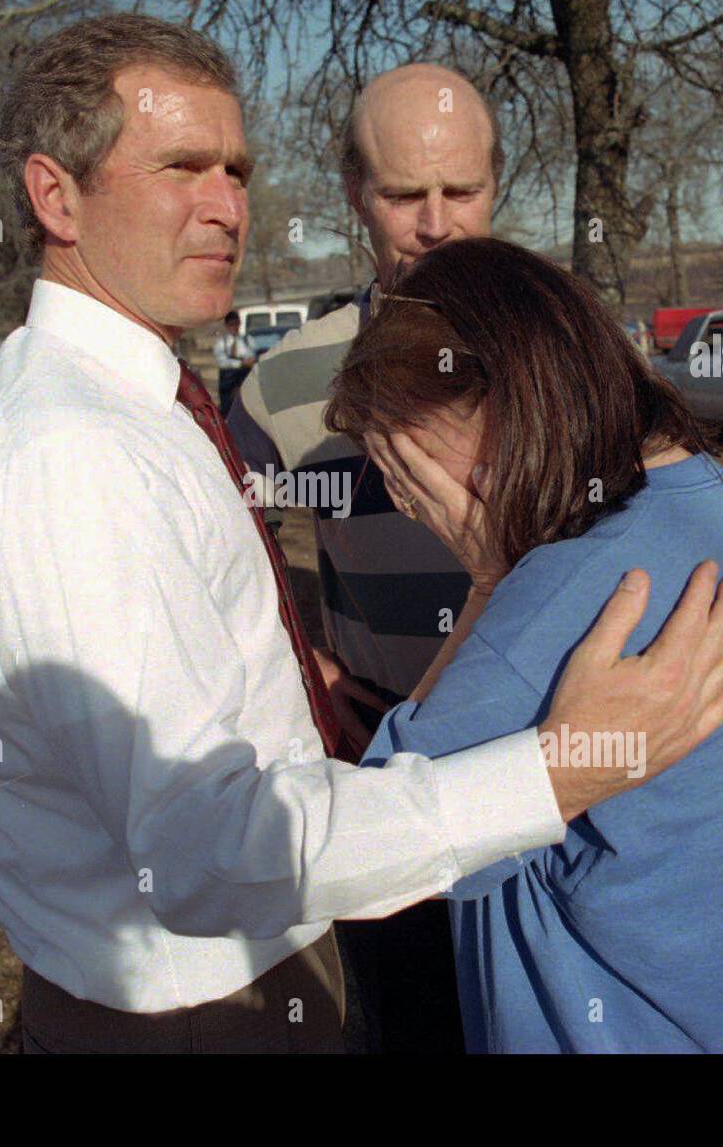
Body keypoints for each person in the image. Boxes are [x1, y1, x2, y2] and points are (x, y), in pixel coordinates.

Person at [0, 13, 723, 1055]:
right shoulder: (71, 456)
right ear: (54, 194)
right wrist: (558, 769)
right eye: (182, 167)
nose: (226, 209)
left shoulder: (127, 410)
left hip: (326, 892)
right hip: (207, 993)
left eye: (237, 171)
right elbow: (210, 853)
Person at [327, 237, 723, 1053]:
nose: (405, 497)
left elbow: (375, 848)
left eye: (407, 456)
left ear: (501, 405)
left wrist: (492, 586)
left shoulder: (554, 602)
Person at [227, 61, 502, 1052]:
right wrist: (307, 668)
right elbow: (223, 561)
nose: (435, 223)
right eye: (402, 194)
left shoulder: (579, 348)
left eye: (459, 190)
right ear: (355, 194)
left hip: (566, 771)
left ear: (496, 185)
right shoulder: (283, 384)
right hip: (389, 786)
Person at [211, 309, 253, 415]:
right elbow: (221, 361)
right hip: (228, 379)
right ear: (226, 325)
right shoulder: (222, 342)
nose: (234, 327)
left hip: (244, 377)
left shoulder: (247, 340)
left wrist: (249, 361)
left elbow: (252, 356)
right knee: (227, 409)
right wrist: (240, 363)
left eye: (236, 324)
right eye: (231, 324)